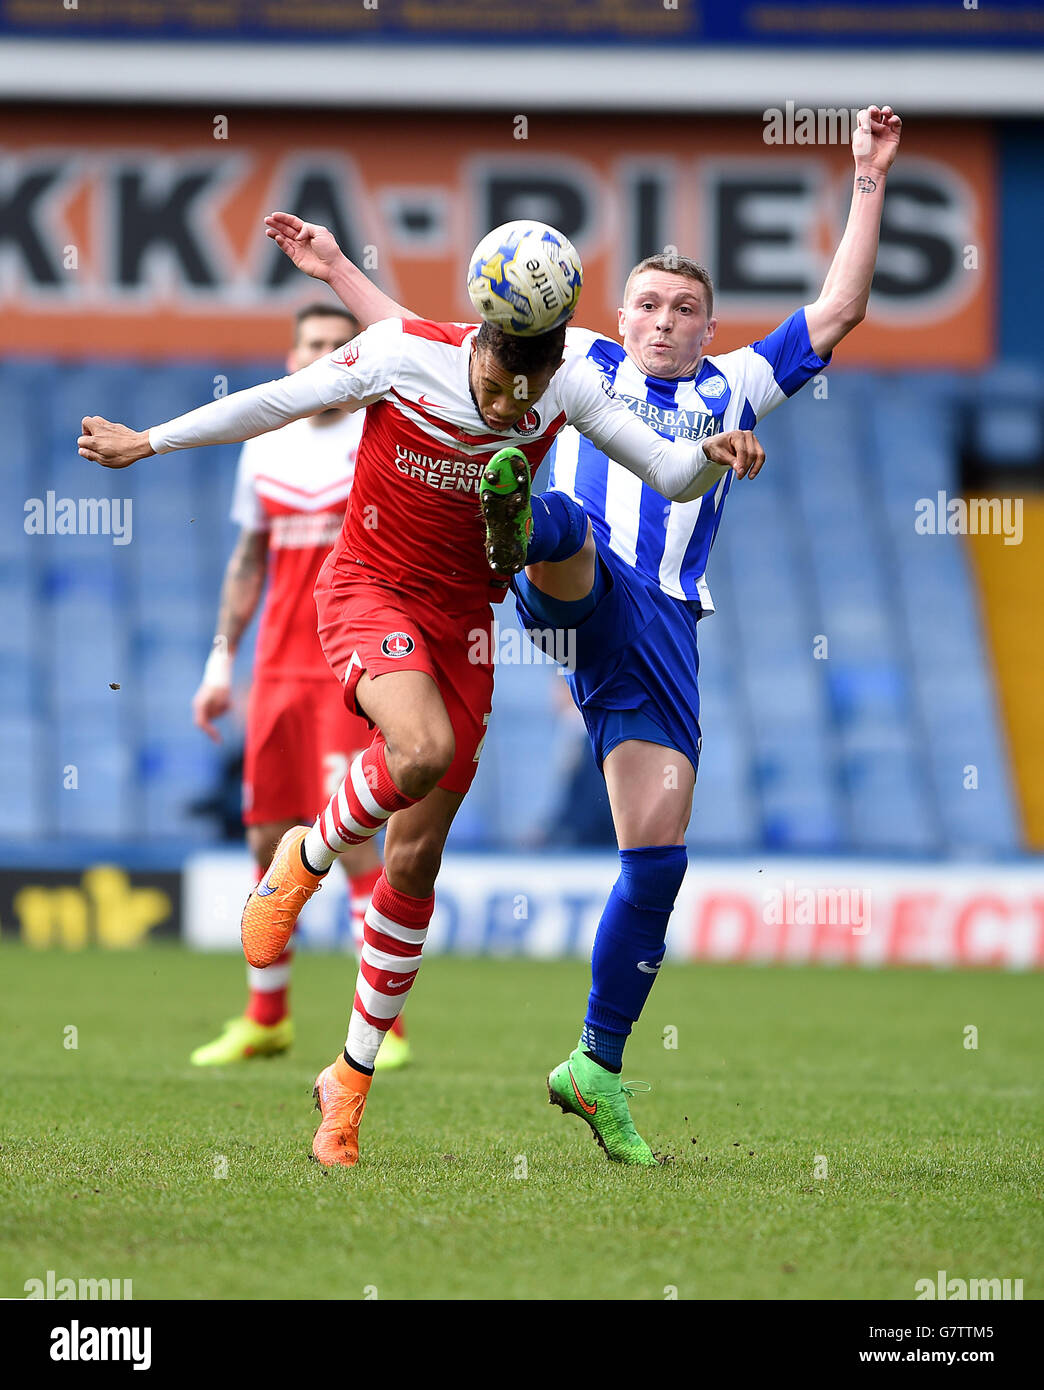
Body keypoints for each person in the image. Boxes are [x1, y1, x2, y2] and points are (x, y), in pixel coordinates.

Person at [260, 103, 902, 1165]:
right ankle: (524, 521)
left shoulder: (734, 386)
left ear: (708, 323)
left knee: (657, 858)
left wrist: (868, 174)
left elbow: (839, 310)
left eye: (684, 307)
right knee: (569, 534)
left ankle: (595, 1064)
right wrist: (339, 274)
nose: (661, 319)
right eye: (646, 301)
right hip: (568, 579)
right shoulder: (573, 364)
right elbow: (419, 347)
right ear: (615, 311)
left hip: (662, 635)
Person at [78, 274, 765, 1168]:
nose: (511, 405)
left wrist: (717, 448)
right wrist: (151, 441)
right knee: (420, 748)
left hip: (461, 622)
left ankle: (347, 1088)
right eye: (499, 389)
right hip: (370, 587)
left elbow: (671, 472)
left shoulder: (565, 382)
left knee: (413, 858)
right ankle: (304, 860)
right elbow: (278, 401)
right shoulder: (405, 355)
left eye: (530, 393)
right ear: (481, 347)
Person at [188, 302, 410, 1073]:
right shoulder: (264, 448)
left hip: (348, 663)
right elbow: (249, 561)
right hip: (278, 665)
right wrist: (222, 661)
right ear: (293, 361)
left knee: (349, 839)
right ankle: (266, 1019)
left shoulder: (380, 437)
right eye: (312, 346)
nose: (324, 358)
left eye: (337, 347)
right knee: (265, 832)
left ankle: (386, 1027)